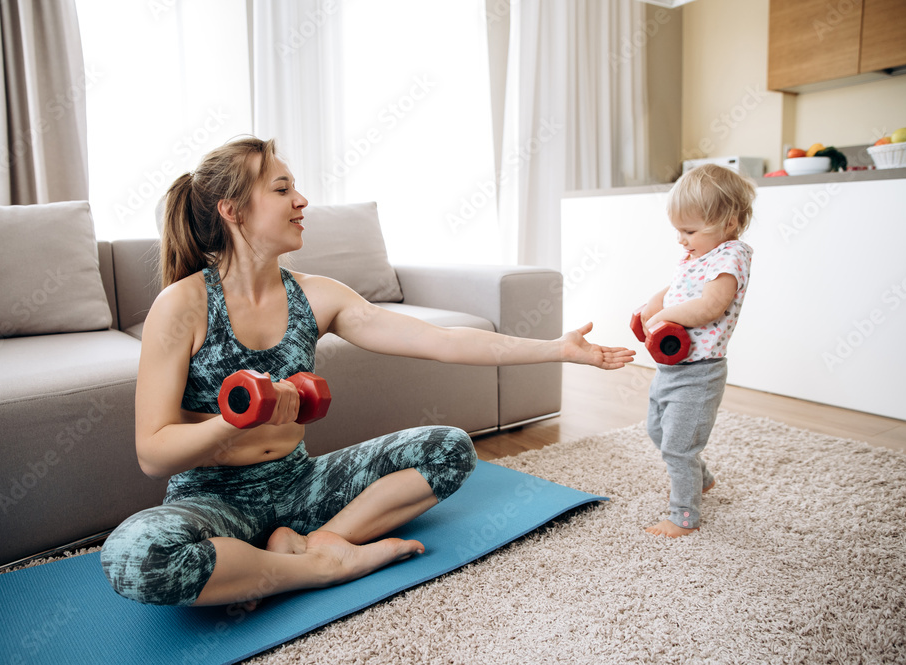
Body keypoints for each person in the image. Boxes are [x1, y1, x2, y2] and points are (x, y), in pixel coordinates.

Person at [100, 136, 635, 607]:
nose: (302, 201)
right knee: (137, 557)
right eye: (283, 189)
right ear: (232, 210)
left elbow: (441, 341)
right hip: (212, 497)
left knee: (450, 449)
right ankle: (316, 568)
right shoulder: (184, 304)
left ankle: (321, 541)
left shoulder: (316, 295)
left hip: (299, 484)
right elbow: (153, 453)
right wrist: (234, 422)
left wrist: (556, 349)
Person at [636, 163, 755, 538]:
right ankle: (700, 478)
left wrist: (665, 316)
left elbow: (709, 307)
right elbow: (676, 289)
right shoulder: (698, 256)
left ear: (730, 223)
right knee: (659, 431)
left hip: (699, 373)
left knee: (678, 447)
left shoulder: (730, 256)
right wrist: (652, 306)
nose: (681, 239)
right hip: (671, 369)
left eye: (689, 231)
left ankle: (684, 516)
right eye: (678, 231)